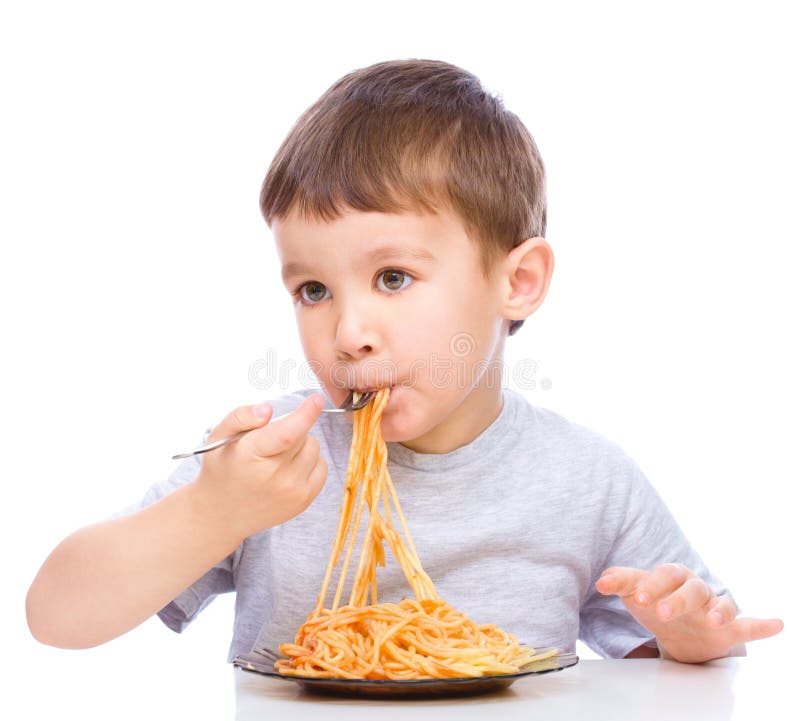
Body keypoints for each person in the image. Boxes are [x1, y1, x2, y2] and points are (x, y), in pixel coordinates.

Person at [26, 58, 783, 665]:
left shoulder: (588, 480)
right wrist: (209, 511)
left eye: (393, 277)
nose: (349, 331)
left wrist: (686, 637)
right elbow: (55, 615)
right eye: (313, 288)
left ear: (516, 282)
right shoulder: (268, 466)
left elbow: (697, 639)